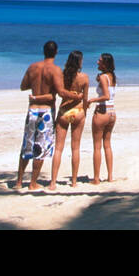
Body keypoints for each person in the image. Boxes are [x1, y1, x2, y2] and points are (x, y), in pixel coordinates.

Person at [15, 41, 65, 192]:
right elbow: (59, 92)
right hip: (46, 112)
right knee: (40, 147)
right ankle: (32, 183)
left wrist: (36, 90)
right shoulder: (56, 70)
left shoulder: (32, 67)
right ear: (56, 52)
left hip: (32, 110)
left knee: (27, 146)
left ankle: (18, 182)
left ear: (43, 51)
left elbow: (23, 86)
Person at [48, 50, 90, 189]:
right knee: (75, 148)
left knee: (58, 149)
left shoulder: (62, 76)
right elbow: (85, 100)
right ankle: (73, 182)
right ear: (79, 62)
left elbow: (60, 94)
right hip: (77, 111)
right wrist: (84, 113)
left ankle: (53, 182)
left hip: (65, 111)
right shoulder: (84, 77)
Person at [85, 53, 117, 184]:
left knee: (97, 147)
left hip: (102, 111)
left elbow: (106, 96)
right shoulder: (111, 77)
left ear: (104, 63)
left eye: (100, 61)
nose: (97, 62)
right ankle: (110, 176)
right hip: (112, 113)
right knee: (107, 145)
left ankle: (96, 178)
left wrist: (92, 100)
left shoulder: (104, 77)